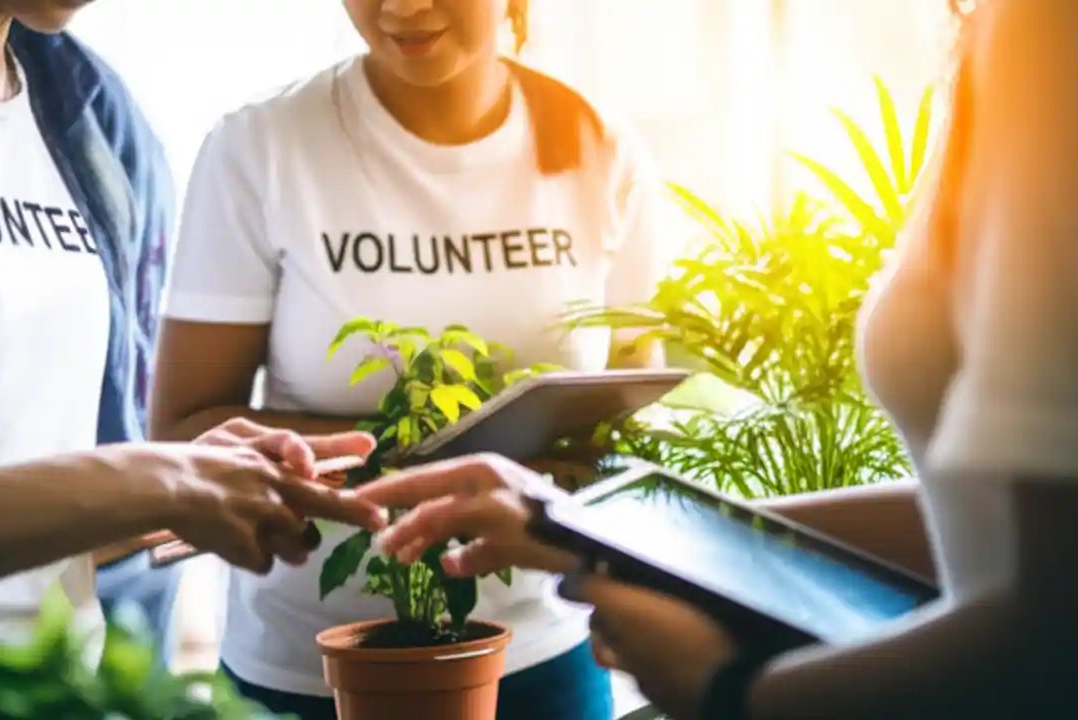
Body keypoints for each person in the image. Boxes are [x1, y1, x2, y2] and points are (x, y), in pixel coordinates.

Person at [357, 1, 1078, 717]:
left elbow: (1049, 633)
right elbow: (982, 525)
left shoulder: (1047, 34)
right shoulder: (1007, 32)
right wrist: (590, 528)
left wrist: (725, 693)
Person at [0, 2, 385, 717]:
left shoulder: (65, 119)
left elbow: (15, 493)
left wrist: (190, 479)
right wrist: (146, 480)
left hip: (58, 693)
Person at [151, 0, 676, 716]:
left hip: (545, 649)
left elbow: (629, 413)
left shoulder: (598, 146)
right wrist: (426, 453)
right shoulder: (261, 146)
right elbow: (185, 432)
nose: (400, 7)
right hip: (312, 667)